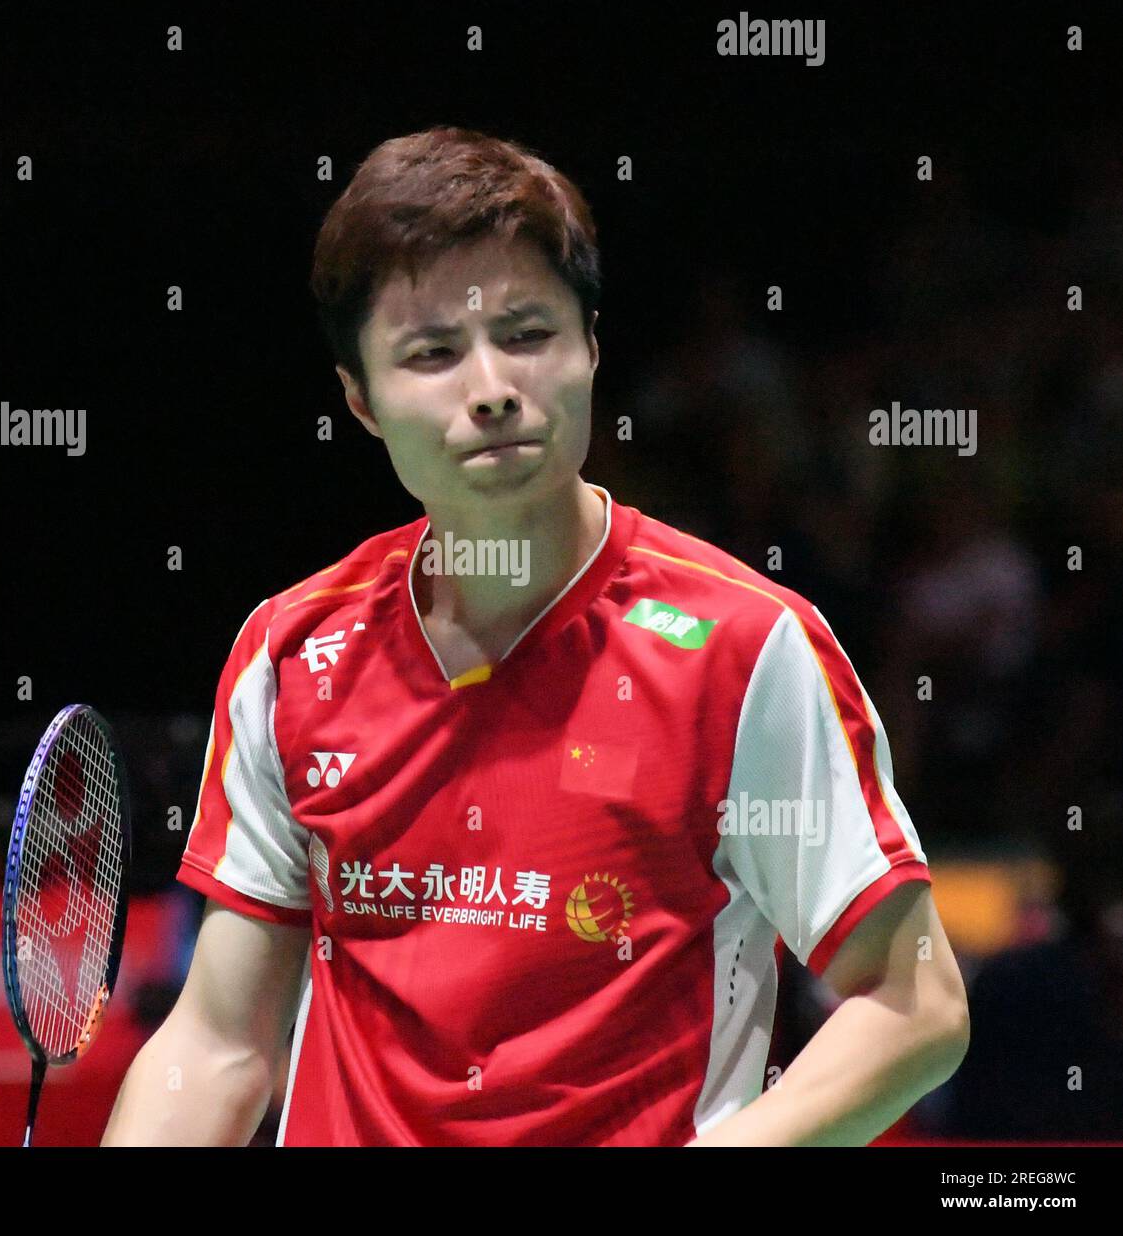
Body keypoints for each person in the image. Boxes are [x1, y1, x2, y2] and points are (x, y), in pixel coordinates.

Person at [102, 125, 969, 1147]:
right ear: (360, 402)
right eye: (430, 354)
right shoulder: (294, 653)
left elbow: (913, 1005)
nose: (490, 386)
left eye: (526, 334)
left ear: (591, 348)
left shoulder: (741, 648)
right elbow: (220, 1042)